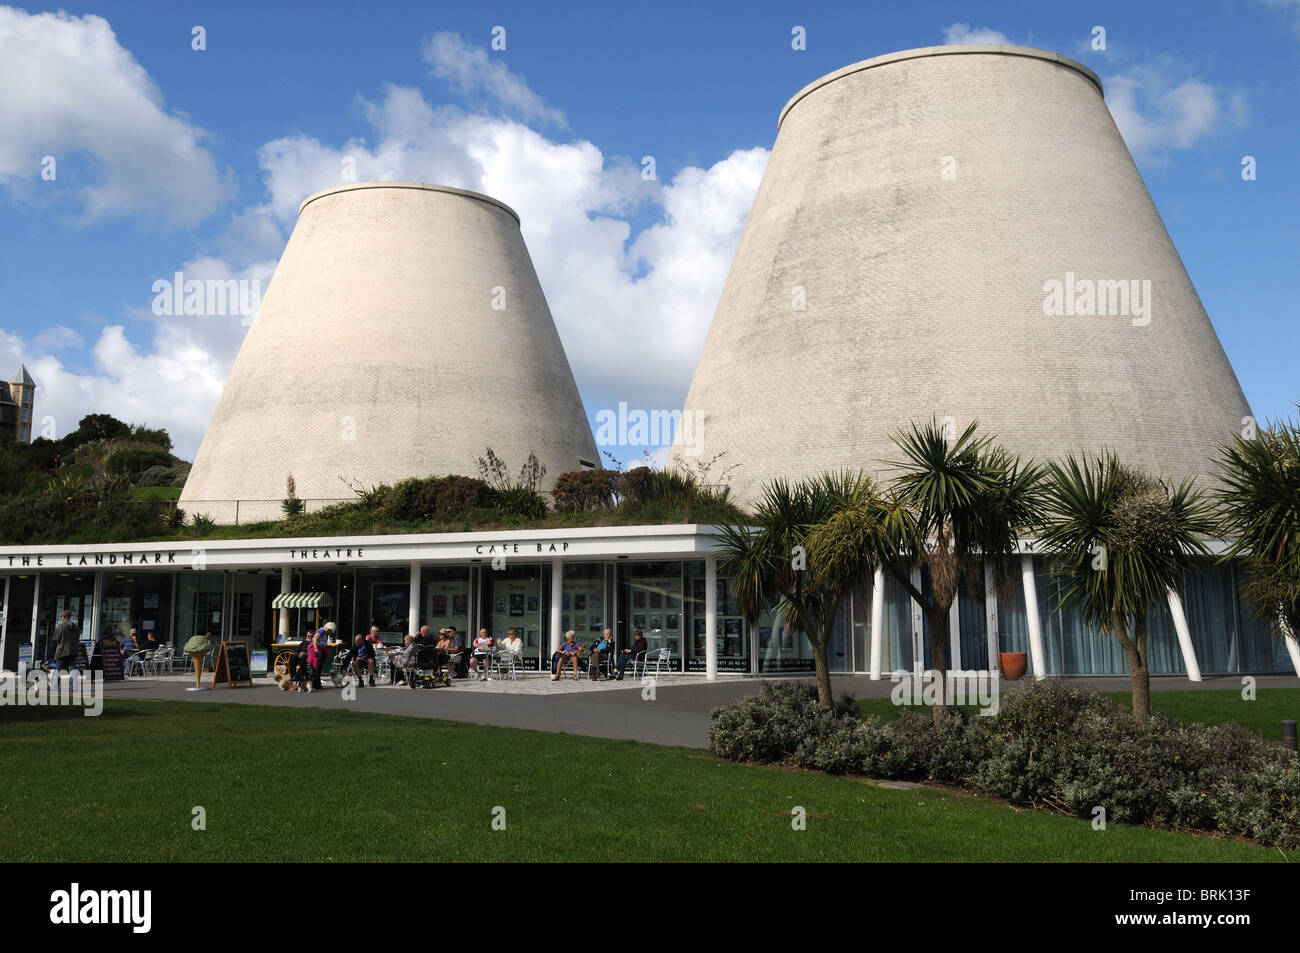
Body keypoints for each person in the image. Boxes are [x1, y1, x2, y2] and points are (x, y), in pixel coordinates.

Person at [52, 610, 81, 679]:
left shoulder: (60, 626)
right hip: (73, 650)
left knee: (58, 668)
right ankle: (74, 684)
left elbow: (55, 639)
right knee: (72, 667)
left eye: (61, 617)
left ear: (64, 617)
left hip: (62, 651)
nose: (61, 618)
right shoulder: (75, 627)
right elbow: (78, 638)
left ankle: (55, 684)